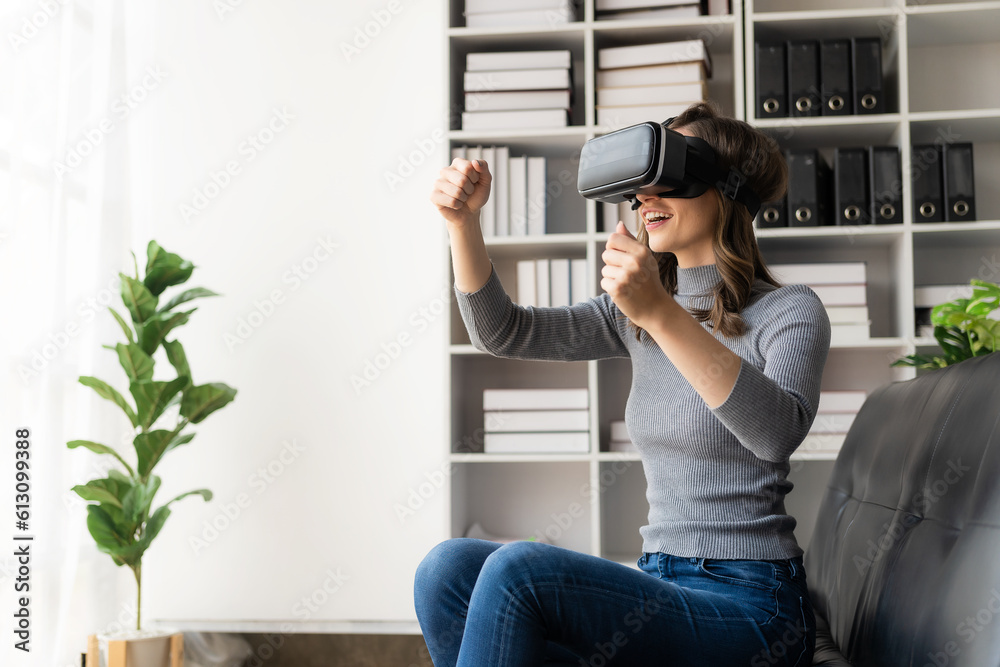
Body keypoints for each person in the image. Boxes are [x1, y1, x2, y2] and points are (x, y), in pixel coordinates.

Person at [415, 101, 830, 667]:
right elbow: (504, 333)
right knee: (447, 569)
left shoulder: (789, 311)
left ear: (727, 189)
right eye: (641, 186)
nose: (644, 199)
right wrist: (463, 226)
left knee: (521, 572)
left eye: (668, 179)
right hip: (659, 579)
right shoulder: (631, 313)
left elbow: (776, 433)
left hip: (754, 605)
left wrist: (662, 315)